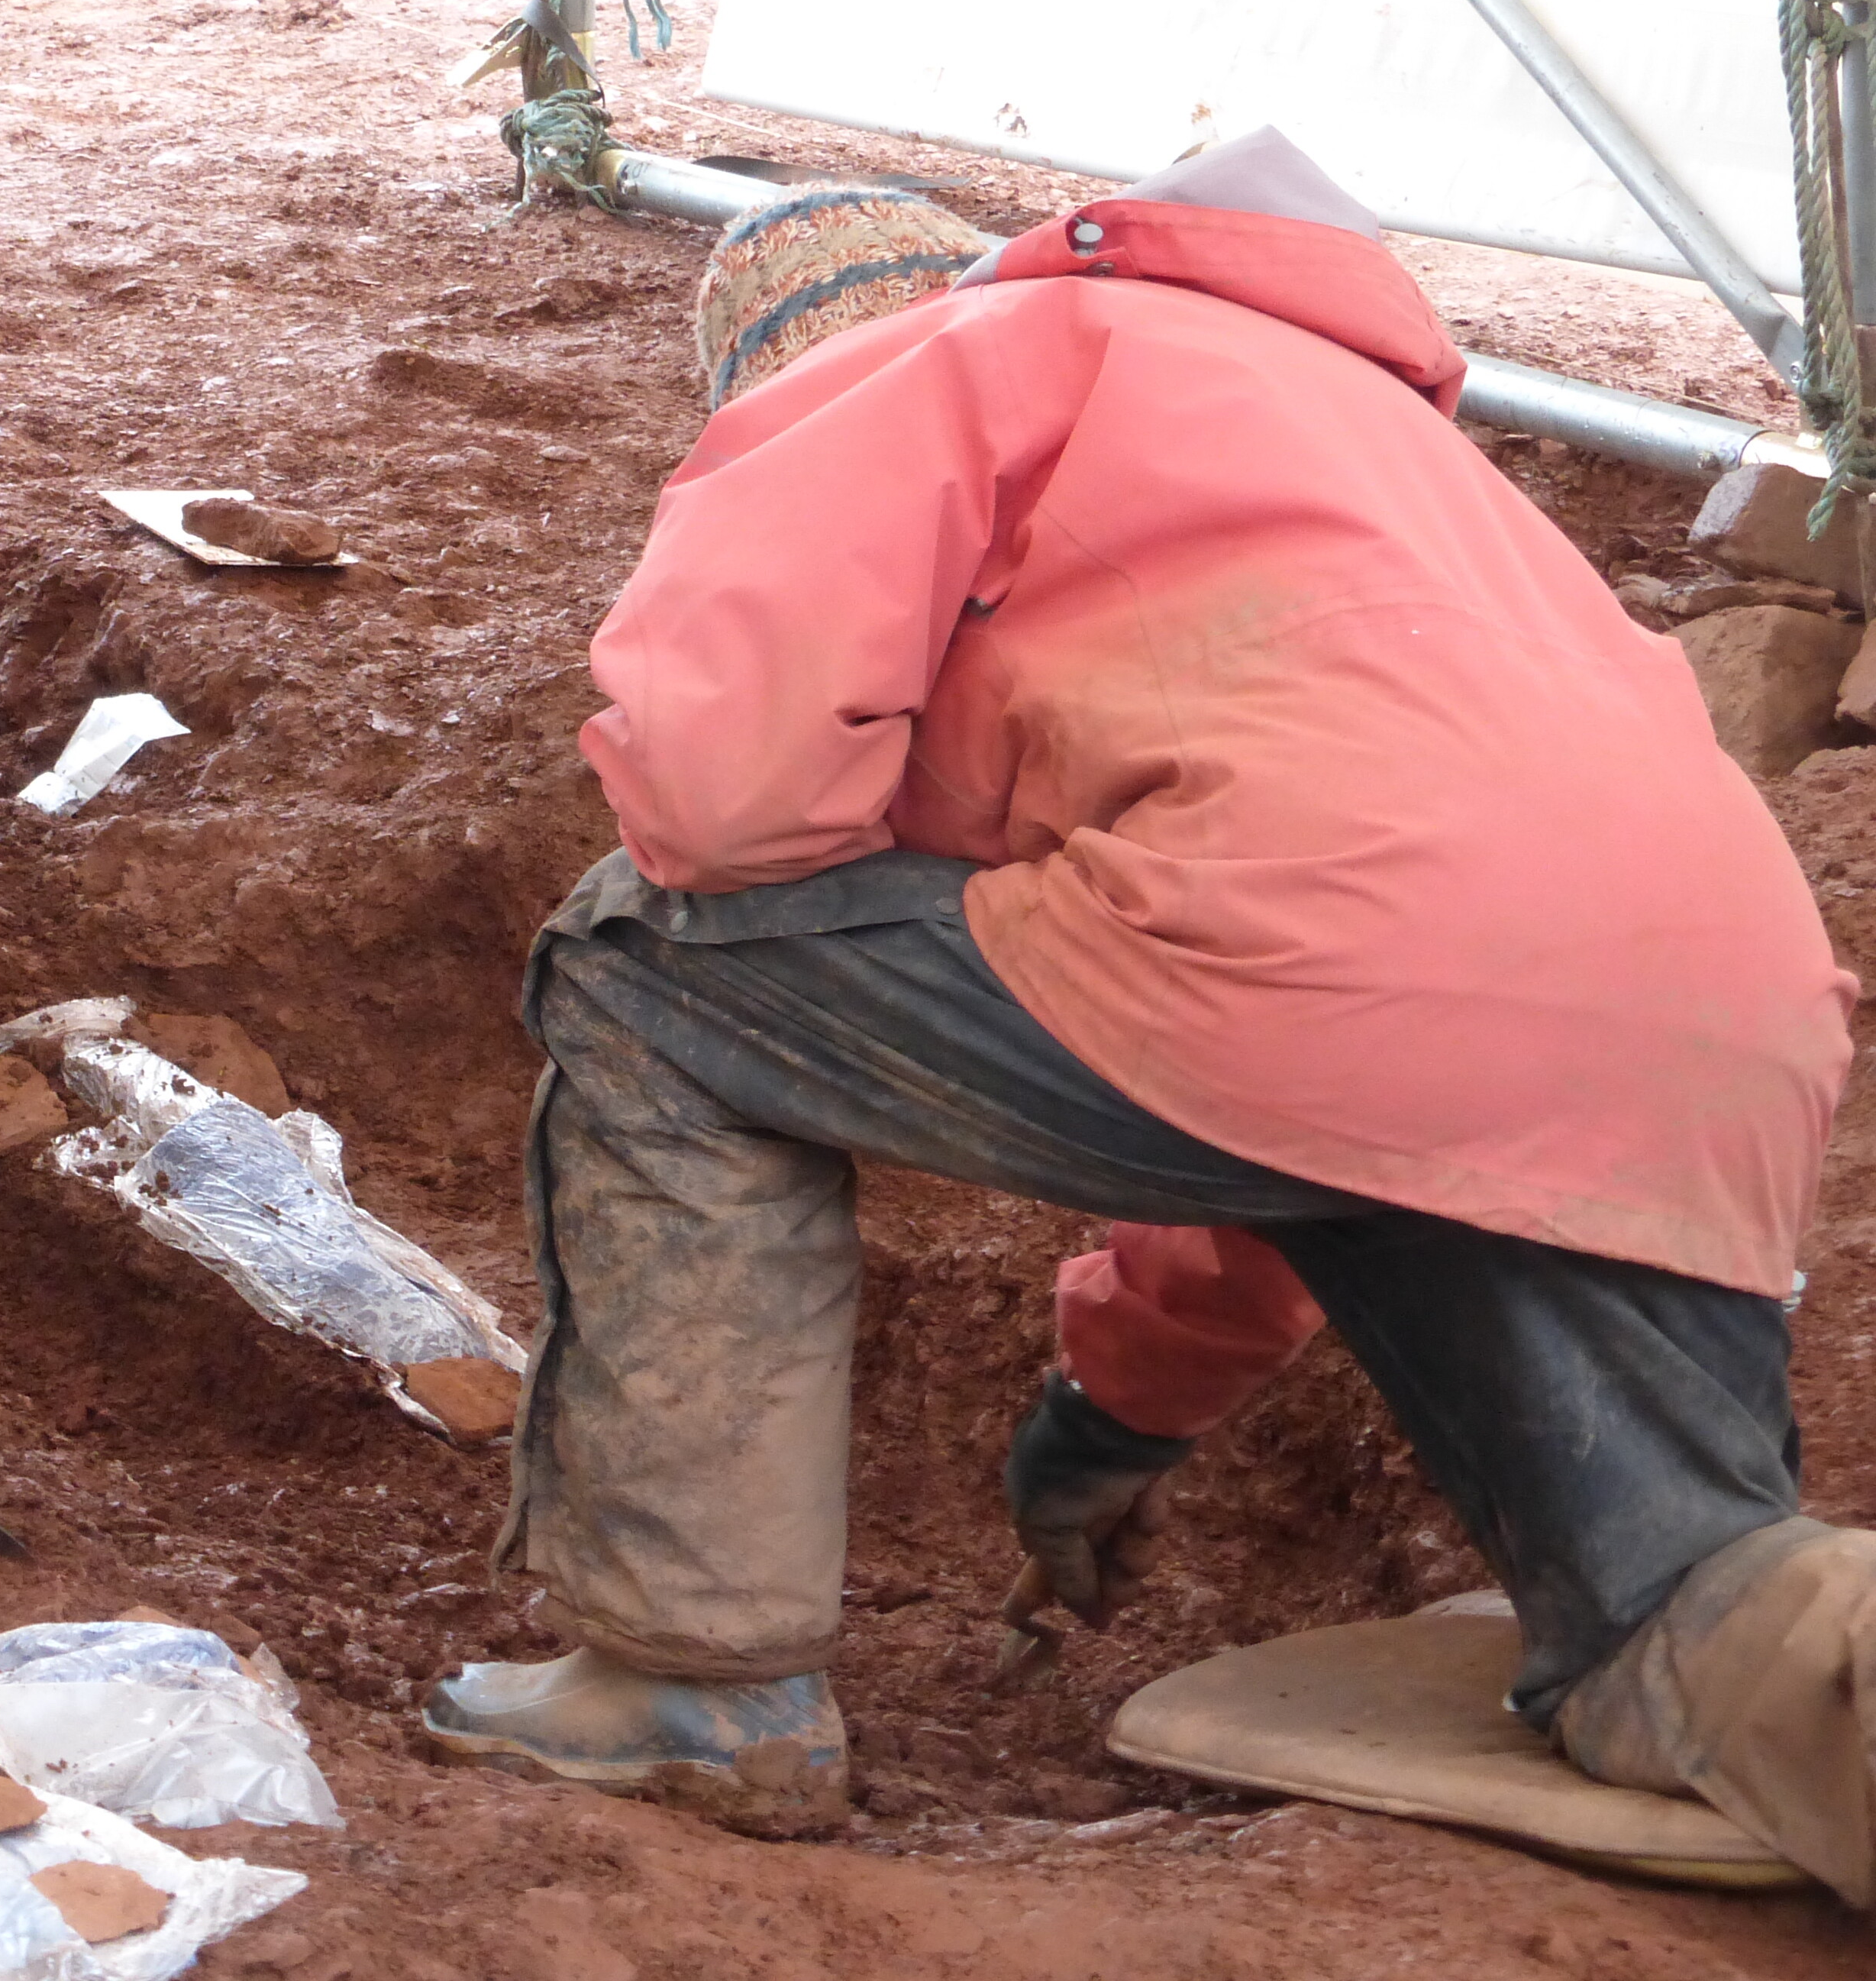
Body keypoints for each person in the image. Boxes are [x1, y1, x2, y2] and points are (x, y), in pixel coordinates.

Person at [417, 132, 1876, 1899]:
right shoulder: (1369, 446)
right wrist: (1114, 1415)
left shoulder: (911, 362)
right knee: (1684, 1609)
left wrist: (888, 815)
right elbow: (1311, 1110)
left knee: (646, 967)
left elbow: (726, 816)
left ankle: (687, 1676)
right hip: (1723, 1026)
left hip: (1329, 974)